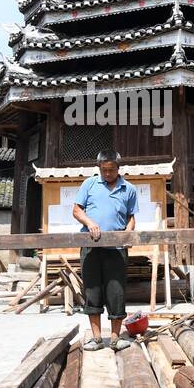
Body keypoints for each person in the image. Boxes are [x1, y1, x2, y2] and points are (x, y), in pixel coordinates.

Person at [72, 149, 139, 351]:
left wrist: (128, 233)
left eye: (111, 170)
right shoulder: (89, 184)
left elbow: (131, 217)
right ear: (99, 168)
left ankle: (116, 338)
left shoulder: (129, 189)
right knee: (92, 290)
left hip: (116, 249)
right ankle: (97, 338)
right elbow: (76, 210)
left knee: (116, 292)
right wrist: (90, 222)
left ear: (118, 168)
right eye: (104, 170)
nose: (108, 173)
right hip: (91, 248)